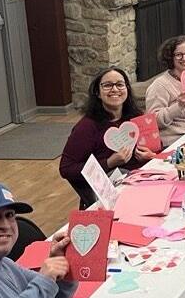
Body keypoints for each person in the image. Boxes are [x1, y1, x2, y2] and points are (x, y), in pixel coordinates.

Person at [60, 67, 155, 208]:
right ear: (97, 92)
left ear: (127, 89)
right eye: (107, 85)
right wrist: (109, 162)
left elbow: (154, 148)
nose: (115, 89)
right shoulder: (87, 127)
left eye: (120, 84)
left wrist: (151, 155)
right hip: (112, 194)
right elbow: (66, 168)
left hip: (144, 182)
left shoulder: (137, 117)